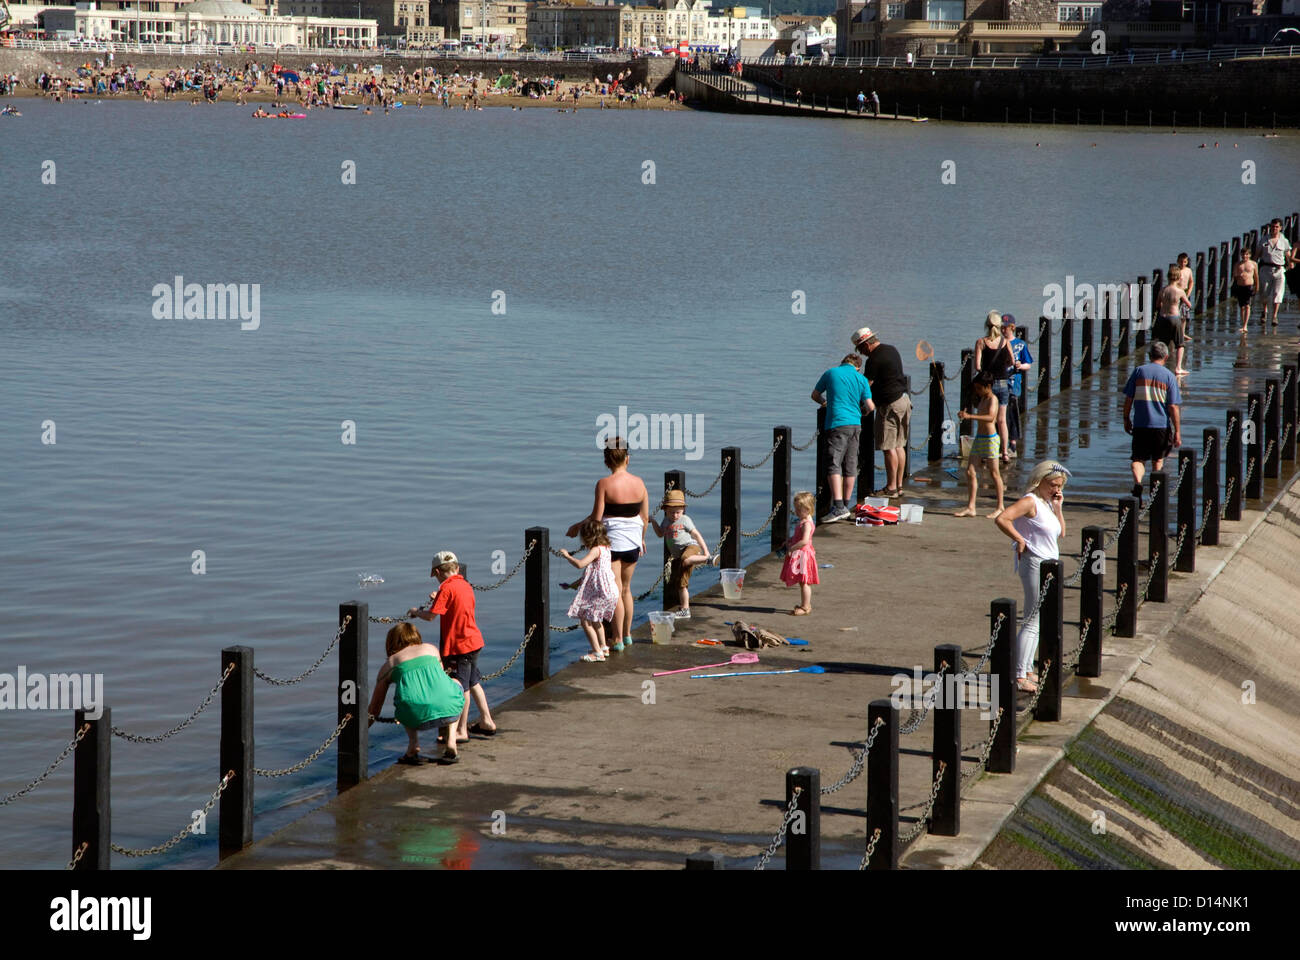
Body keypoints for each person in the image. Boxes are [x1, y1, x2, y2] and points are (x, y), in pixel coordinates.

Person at [993, 461, 1069, 695]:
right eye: (1053, 485)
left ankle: (1026, 670)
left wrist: (1058, 507)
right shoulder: (1030, 501)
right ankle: (1018, 675)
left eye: (1060, 486)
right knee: (1032, 620)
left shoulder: (1047, 503)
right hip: (1034, 563)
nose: (1056, 489)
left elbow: (1061, 533)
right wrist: (1020, 539)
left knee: (1037, 619)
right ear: (1040, 481)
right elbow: (1002, 518)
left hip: (1049, 566)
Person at [566, 438, 647, 652]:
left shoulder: (604, 484)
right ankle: (628, 634)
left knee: (616, 591)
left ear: (606, 461)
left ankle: (617, 639)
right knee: (627, 590)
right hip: (633, 542)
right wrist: (642, 539)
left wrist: (577, 526)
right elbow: (644, 517)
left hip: (613, 544)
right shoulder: (639, 483)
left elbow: (596, 517)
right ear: (627, 459)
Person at [407, 550, 497, 742]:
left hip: (459, 646)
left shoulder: (445, 589)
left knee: (461, 688)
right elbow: (455, 605)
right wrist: (438, 597)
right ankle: (487, 720)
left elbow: (431, 616)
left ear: (438, 572)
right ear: (456, 568)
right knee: (474, 682)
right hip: (474, 641)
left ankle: (461, 731)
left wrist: (415, 612)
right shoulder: (464, 585)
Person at [367, 622, 466, 764]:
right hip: (449, 710)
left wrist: (359, 731)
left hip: (414, 718)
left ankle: (413, 744)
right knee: (455, 684)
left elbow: (374, 709)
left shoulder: (390, 664)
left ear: (391, 642)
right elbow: (442, 680)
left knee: (404, 699)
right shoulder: (431, 649)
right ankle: (451, 741)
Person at [812, 352, 876, 522]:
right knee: (850, 465)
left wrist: (825, 403)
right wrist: (860, 412)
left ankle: (838, 507)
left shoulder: (831, 373)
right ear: (858, 366)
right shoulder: (861, 378)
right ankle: (846, 506)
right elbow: (870, 406)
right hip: (856, 425)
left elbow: (815, 395)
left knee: (833, 464)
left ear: (842, 363)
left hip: (837, 423)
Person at [852, 326, 910, 498]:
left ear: (866, 345)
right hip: (904, 400)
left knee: (888, 448)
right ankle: (899, 486)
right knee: (899, 445)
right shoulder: (891, 349)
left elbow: (866, 385)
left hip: (889, 405)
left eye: (861, 349)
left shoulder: (874, 359)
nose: (862, 354)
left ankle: (890, 488)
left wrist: (855, 402)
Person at [1122, 342, 1182, 504]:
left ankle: (1138, 484)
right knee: (1158, 460)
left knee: (1138, 460)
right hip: (1161, 426)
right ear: (1166, 357)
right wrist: (1177, 431)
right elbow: (1173, 406)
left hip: (1141, 425)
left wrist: (1126, 419)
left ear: (1150, 355)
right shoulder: (1169, 376)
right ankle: (1155, 495)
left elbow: (1128, 399)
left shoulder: (1139, 372)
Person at [560, 519, 619, 661]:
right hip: (610, 590)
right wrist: (574, 584)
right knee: (596, 619)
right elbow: (594, 572)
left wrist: (567, 556)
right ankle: (603, 648)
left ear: (589, 536)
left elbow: (580, 564)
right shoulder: (606, 549)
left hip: (601, 592)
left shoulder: (596, 549)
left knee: (585, 620)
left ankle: (596, 652)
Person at [647, 489, 710, 617]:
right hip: (679, 556)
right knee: (681, 584)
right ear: (665, 510)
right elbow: (660, 533)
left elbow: (696, 535)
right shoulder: (666, 521)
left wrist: (706, 551)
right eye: (671, 513)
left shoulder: (685, 520)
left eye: (678, 512)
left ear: (683, 510)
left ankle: (707, 559)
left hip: (691, 548)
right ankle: (685, 609)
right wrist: (653, 521)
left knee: (686, 560)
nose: (675, 515)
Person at [956, 373, 1005, 518]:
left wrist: (970, 416)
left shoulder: (993, 399)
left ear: (988, 386)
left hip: (990, 439)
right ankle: (971, 507)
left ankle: (1000, 506)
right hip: (980, 438)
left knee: (994, 473)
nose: (977, 391)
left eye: (979, 388)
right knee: (970, 471)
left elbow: (991, 417)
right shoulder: (983, 398)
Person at [973, 310, 1015, 463]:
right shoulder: (1005, 342)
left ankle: (986, 452)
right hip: (1003, 383)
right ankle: (1004, 452)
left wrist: (985, 369)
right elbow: (1012, 360)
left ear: (986, 325)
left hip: (987, 387)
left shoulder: (981, 342)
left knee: (986, 419)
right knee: (1002, 420)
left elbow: (977, 366)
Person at [779, 491, 818, 616]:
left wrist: (792, 549)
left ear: (807, 509)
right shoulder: (804, 519)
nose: (795, 512)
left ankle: (806, 607)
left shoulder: (807, 523)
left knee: (804, 582)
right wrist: (789, 541)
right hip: (802, 553)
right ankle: (804, 604)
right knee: (802, 582)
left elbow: (805, 541)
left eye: (798, 509)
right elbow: (798, 536)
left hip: (803, 554)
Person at [1001, 314, 1033, 458]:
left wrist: (1021, 366)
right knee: (1001, 416)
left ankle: (1012, 443)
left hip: (1014, 385)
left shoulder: (1020, 344)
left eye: (1006, 327)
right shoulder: (998, 343)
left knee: (1012, 414)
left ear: (1012, 328)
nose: (1003, 330)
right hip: (1000, 383)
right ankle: (1001, 444)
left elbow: (1029, 364)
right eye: (1001, 327)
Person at [1153, 264, 1190, 376]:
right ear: (1179, 278)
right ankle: (1178, 367)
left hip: (1163, 317)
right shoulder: (1180, 291)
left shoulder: (1163, 290)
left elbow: (1157, 304)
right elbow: (1189, 304)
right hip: (1174, 318)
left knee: (1163, 344)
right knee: (1180, 344)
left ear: (1168, 277)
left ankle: (1160, 365)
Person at [1259, 218, 1295, 327]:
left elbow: (1288, 256)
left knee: (1278, 294)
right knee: (1264, 292)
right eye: (1273, 227)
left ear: (1280, 228)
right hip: (1266, 268)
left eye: (1276, 227)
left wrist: (1291, 265)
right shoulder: (1264, 240)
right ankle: (1264, 311)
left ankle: (1274, 316)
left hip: (1279, 269)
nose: (1274, 229)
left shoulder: (1284, 241)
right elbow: (1257, 254)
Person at [1232, 246, 1259, 332]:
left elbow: (1256, 276)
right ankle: (1243, 323)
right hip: (1240, 286)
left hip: (1249, 285)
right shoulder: (1237, 264)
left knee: (1247, 305)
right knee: (1242, 307)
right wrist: (1238, 276)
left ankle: (1245, 325)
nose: (1245, 256)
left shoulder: (1253, 264)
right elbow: (1234, 276)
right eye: (1243, 254)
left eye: (1247, 254)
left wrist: (1257, 286)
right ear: (1241, 255)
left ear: (1250, 255)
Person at [1176, 252, 1194, 342]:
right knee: (1177, 314)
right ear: (1177, 261)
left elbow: (1191, 282)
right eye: (1181, 262)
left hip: (1186, 292)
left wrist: (1189, 292)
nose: (1182, 263)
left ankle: (1182, 333)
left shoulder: (1188, 270)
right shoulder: (1176, 271)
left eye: (1184, 262)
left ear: (1187, 262)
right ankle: (1177, 333)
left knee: (1184, 315)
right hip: (1178, 293)